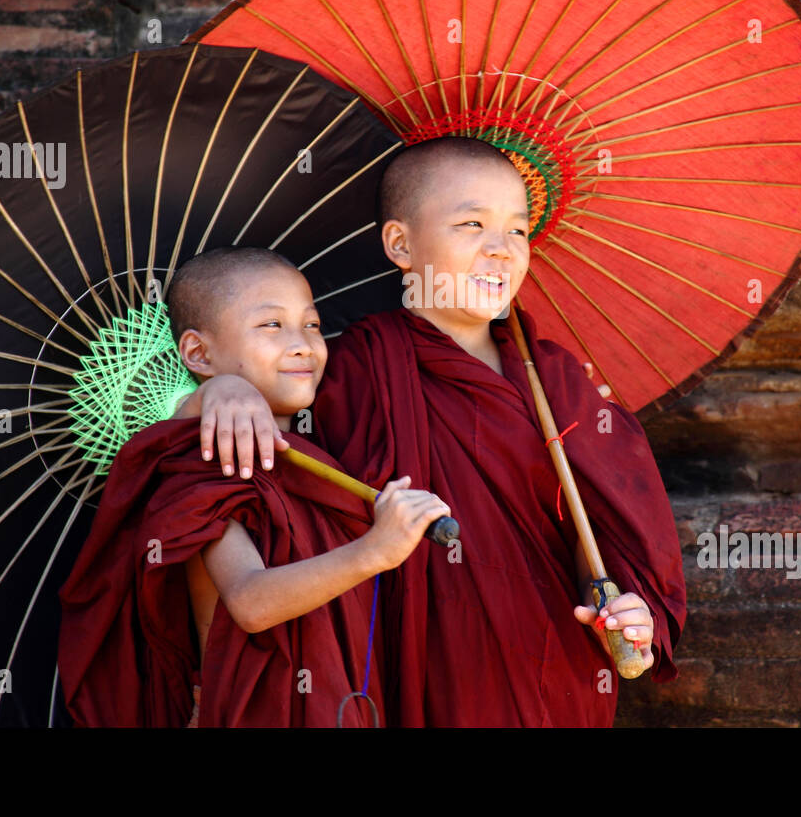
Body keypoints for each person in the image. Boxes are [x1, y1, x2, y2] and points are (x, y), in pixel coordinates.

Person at [179, 138, 688, 726]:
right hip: (395, 664)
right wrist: (220, 390)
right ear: (400, 244)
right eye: (472, 224)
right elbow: (265, 462)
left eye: (519, 231)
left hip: (548, 667)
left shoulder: (558, 381)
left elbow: (598, 531)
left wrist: (628, 611)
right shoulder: (351, 366)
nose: (501, 251)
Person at [56, 247, 450, 727]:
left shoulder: (315, 457)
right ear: (199, 354)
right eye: (271, 326)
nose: (304, 343)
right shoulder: (206, 466)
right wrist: (375, 551)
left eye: (310, 323)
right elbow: (249, 602)